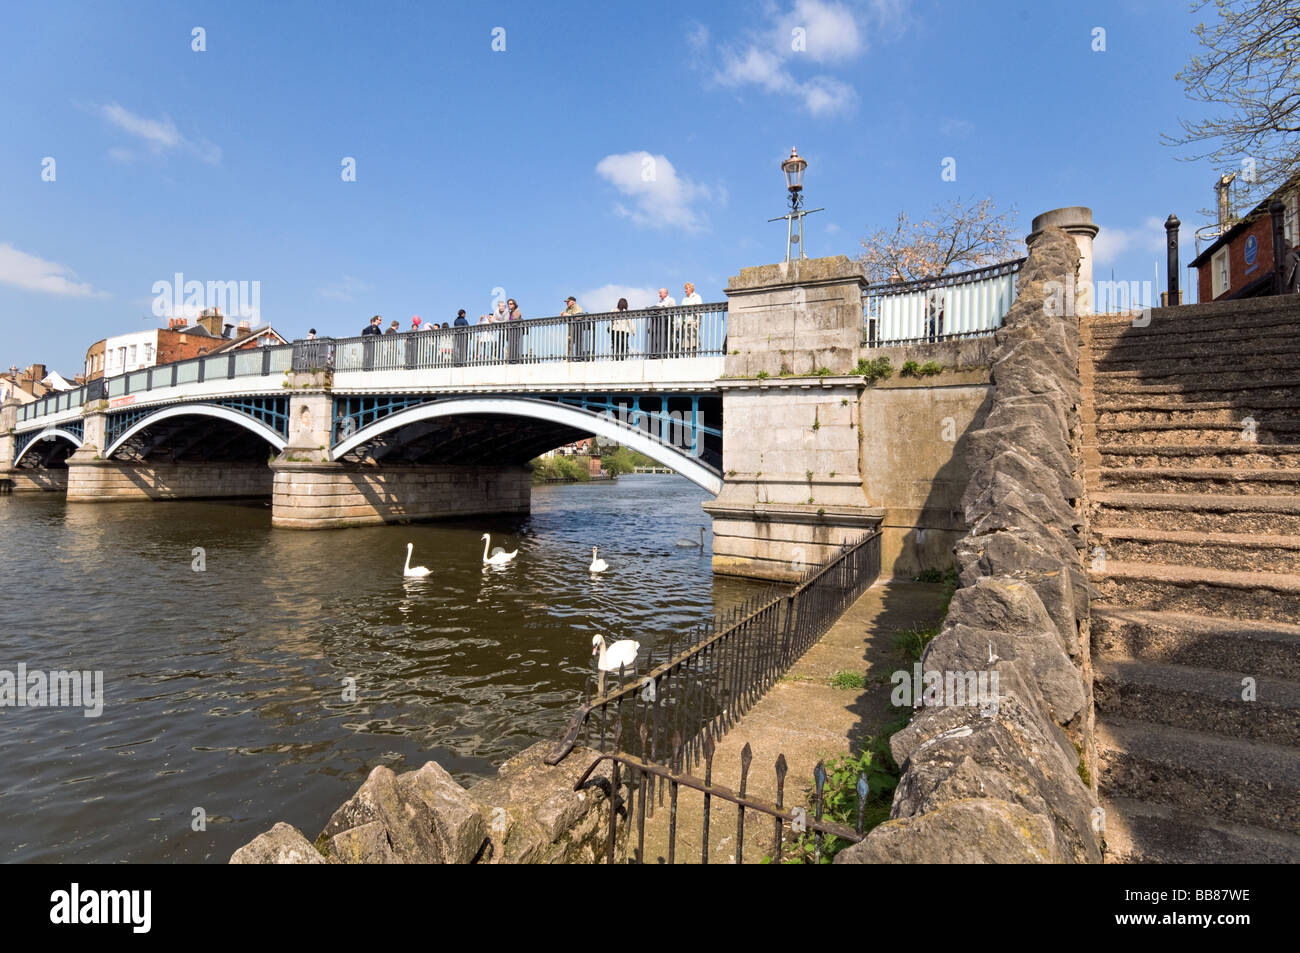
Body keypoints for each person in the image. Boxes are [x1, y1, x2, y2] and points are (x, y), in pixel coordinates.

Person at [650, 288, 675, 357]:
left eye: (660, 293)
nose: (659, 295)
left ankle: (666, 354)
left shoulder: (671, 300)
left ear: (666, 293)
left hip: (667, 323)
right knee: (659, 338)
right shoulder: (659, 302)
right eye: (659, 293)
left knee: (666, 338)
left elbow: (672, 310)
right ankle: (658, 353)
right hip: (659, 323)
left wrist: (663, 311)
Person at [680, 282, 702, 354]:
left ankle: (694, 357)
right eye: (685, 289)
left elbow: (699, 309)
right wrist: (681, 322)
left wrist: (698, 321)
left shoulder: (697, 297)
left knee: (694, 341)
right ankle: (687, 356)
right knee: (686, 342)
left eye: (686, 289)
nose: (685, 290)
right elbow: (681, 312)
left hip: (693, 321)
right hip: (686, 322)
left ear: (691, 289)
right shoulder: (684, 299)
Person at [562, 295, 587, 361]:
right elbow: (567, 319)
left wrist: (567, 315)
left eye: (568, 302)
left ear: (573, 302)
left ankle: (578, 357)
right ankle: (569, 357)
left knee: (578, 342)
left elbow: (578, 316)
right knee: (569, 342)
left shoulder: (577, 307)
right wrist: (563, 317)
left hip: (578, 327)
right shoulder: (567, 309)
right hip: (570, 329)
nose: (567, 303)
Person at [506, 298, 523, 363]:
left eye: (511, 304)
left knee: (515, 344)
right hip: (511, 331)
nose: (509, 305)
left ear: (514, 305)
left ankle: (514, 359)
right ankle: (511, 358)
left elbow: (516, 319)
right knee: (511, 345)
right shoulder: (510, 312)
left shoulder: (517, 311)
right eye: (508, 304)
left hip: (515, 330)